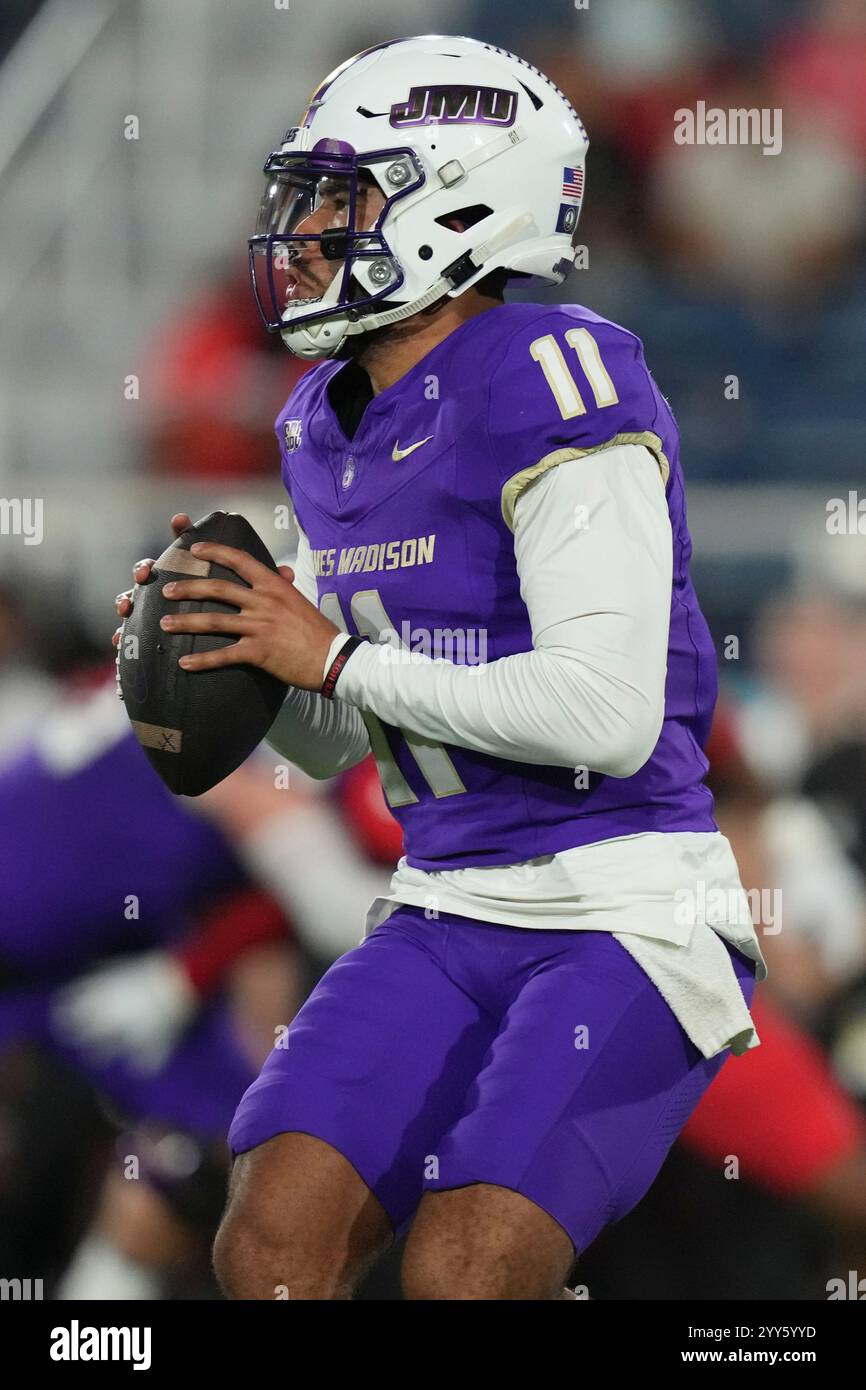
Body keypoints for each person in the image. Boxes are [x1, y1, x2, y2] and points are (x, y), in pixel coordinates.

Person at [115, 35, 766, 1301]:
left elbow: (606, 715)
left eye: (341, 198)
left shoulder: (554, 375)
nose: (301, 234)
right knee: (268, 1249)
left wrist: (334, 651)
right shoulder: (321, 415)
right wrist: (233, 651)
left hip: (620, 905)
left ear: (464, 200)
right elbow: (341, 735)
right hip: (443, 894)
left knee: (466, 1271)